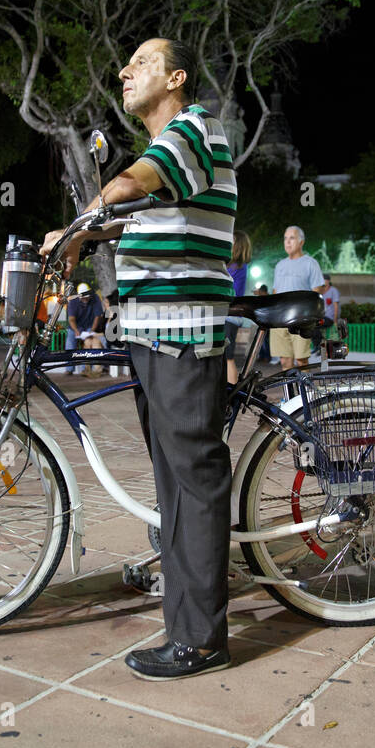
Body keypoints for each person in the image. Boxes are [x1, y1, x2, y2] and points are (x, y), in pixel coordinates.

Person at [41, 37, 235, 680]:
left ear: (177, 77)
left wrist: (79, 222)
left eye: (142, 62)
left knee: (192, 481)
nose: (125, 71)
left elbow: (130, 184)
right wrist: (85, 234)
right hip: (153, 335)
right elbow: (137, 212)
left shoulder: (191, 131)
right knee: (175, 485)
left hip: (181, 334)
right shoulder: (168, 153)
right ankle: (185, 615)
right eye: (126, 65)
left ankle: (203, 638)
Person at [271, 225, 324, 370]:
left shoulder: (310, 263)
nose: (287, 242)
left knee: (301, 360)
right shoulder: (280, 265)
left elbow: (317, 291)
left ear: (301, 242)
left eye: (292, 238)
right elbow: (275, 291)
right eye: (285, 238)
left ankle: (304, 392)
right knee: (284, 361)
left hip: (301, 319)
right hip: (280, 319)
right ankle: (289, 393)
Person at [224, 231, 252, 383]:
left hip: (231, 315)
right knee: (225, 357)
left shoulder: (239, 267)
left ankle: (233, 392)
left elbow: (233, 291)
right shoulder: (231, 265)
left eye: (232, 241)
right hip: (227, 315)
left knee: (229, 357)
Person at [67, 282, 105, 376]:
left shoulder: (95, 298)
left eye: (87, 296)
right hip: (75, 326)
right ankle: (69, 368)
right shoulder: (73, 301)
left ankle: (86, 369)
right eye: (84, 297)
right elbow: (71, 319)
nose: (86, 298)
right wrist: (76, 330)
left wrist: (92, 330)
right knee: (70, 343)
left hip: (89, 325)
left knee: (88, 343)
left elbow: (97, 316)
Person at [311, 273, 341, 354]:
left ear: (328, 281)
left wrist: (335, 319)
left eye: (325, 280)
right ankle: (320, 345)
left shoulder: (333, 290)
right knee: (310, 324)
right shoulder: (318, 290)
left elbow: (336, 306)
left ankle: (319, 345)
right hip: (320, 317)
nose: (323, 282)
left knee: (314, 324)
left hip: (329, 318)